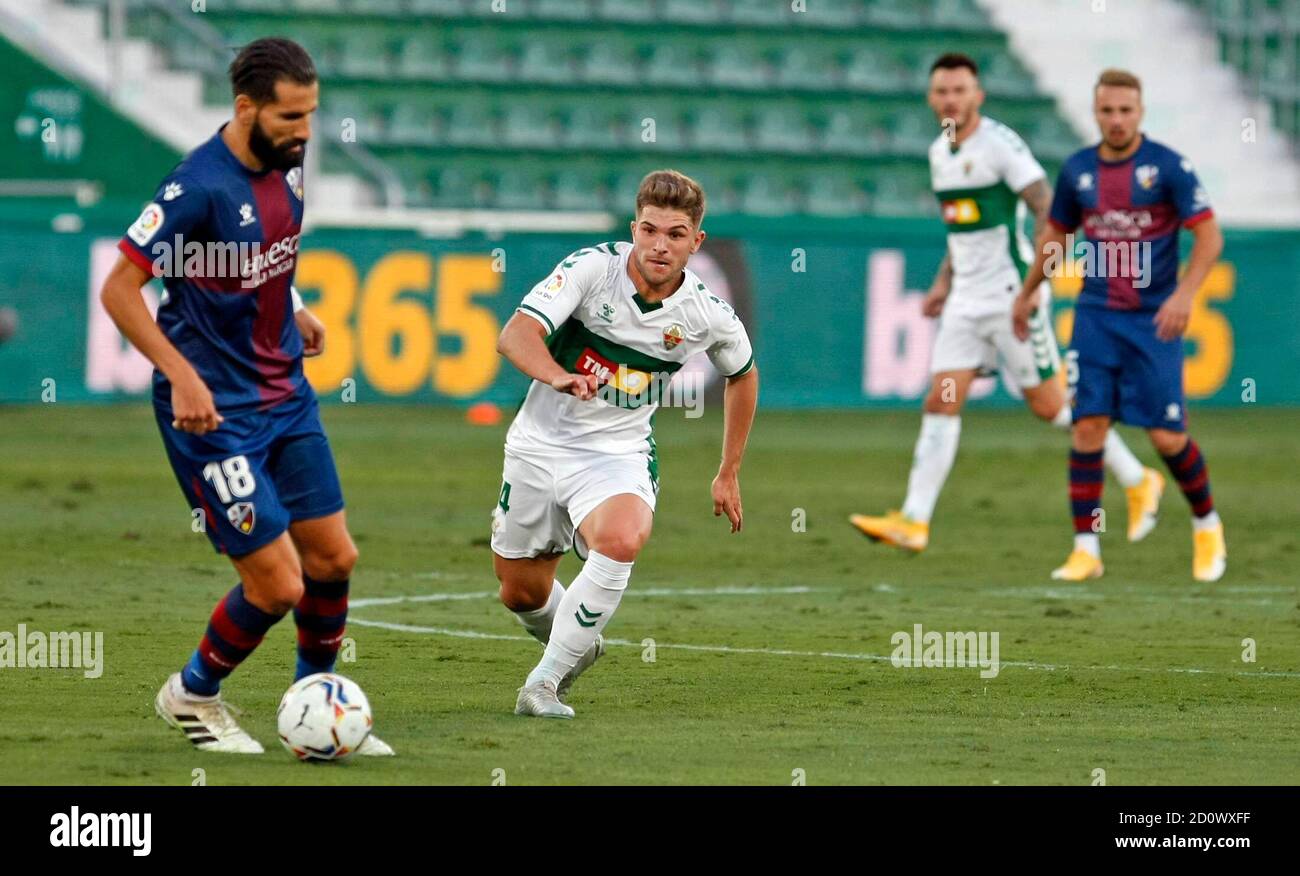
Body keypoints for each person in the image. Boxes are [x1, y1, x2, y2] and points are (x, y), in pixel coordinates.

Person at [492, 170, 759, 718]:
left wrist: (728, 470)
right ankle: (575, 645)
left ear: (697, 241)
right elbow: (515, 334)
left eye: (677, 234)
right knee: (520, 592)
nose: (661, 245)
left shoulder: (705, 314)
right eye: (650, 229)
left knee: (623, 538)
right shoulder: (592, 270)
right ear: (634, 227)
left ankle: (543, 683)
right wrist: (558, 375)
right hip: (538, 446)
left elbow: (744, 374)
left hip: (616, 455)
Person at [1012, 68, 1226, 582]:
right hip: (1096, 316)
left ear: (1141, 112)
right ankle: (1086, 549)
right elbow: (1057, 238)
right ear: (1095, 112)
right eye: (1107, 110)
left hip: (1154, 322)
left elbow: (1210, 237)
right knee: (1087, 426)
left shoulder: (1169, 167)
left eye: (1125, 110)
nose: (1116, 120)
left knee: (1168, 437)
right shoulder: (1078, 171)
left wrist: (1184, 295)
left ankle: (1207, 525)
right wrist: (1028, 292)